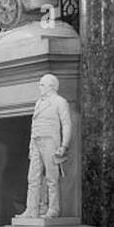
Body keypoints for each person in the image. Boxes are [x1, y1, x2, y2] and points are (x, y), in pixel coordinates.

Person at [19, 73, 71, 219]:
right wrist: (31, 146)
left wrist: (64, 145)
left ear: (51, 86)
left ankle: (53, 209)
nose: (39, 87)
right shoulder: (39, 103)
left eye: (42, 84)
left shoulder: (60, 102)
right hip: (36, 142)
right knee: (33, 178)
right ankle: (31, 209)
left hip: (50, 142)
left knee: (52, 178)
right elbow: (34, 125)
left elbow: (66, 124)